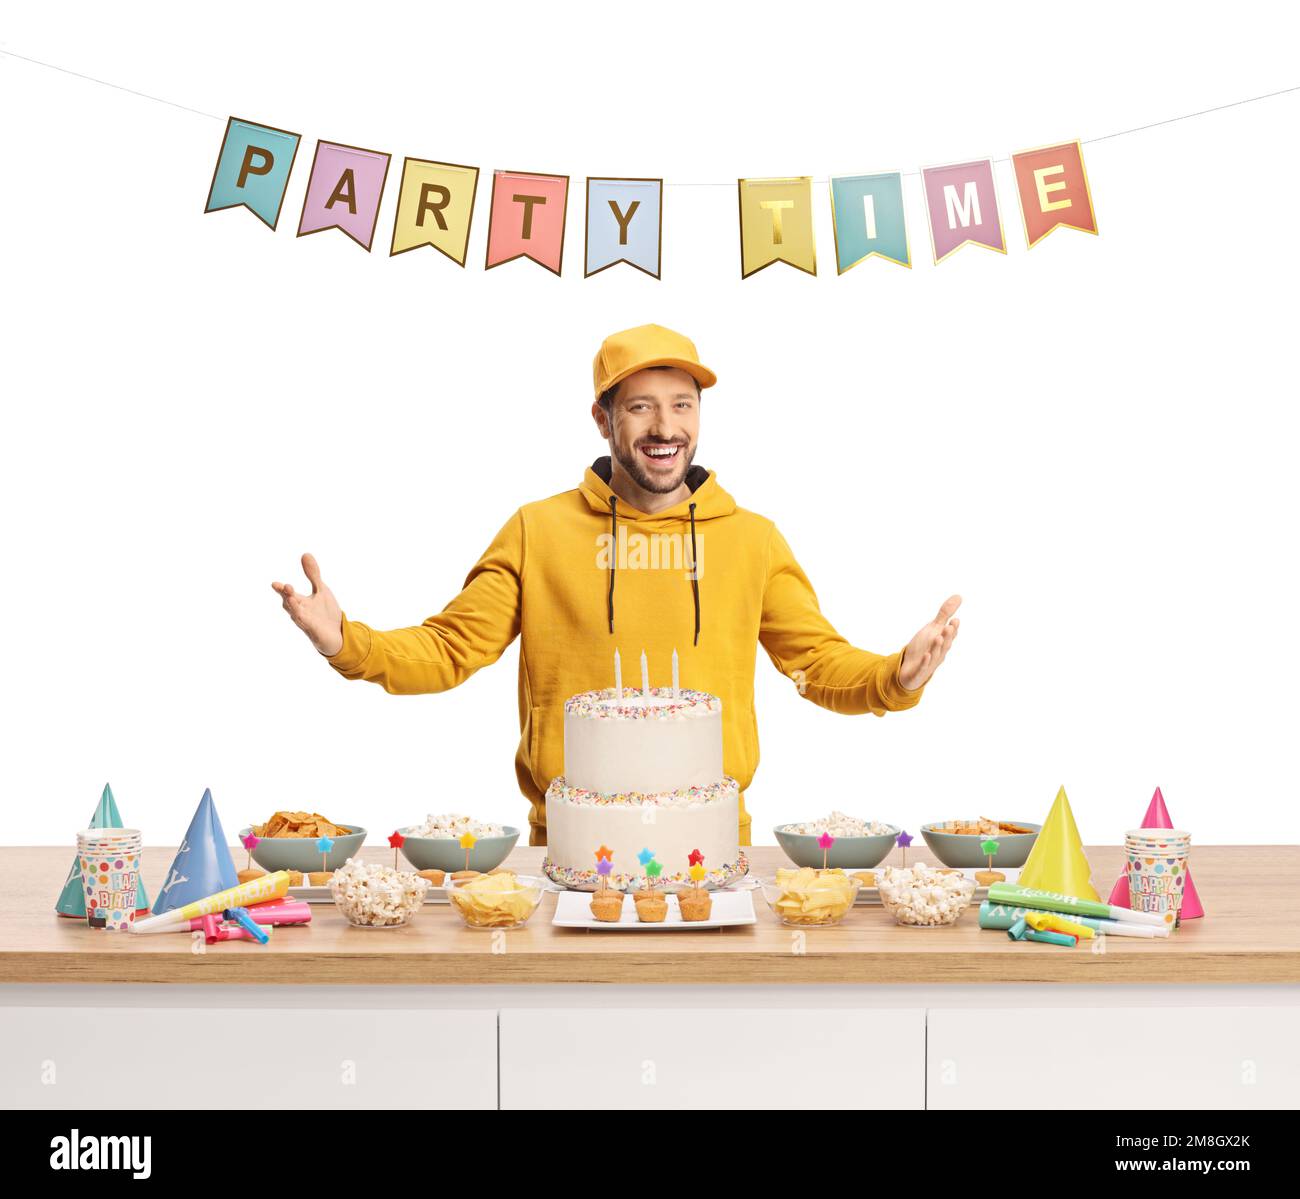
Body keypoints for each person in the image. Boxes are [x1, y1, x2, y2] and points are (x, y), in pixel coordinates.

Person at [272, 324, 960, 846]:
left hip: (713, 846)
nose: (666, 428)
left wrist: (895, 676)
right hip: (567, 849)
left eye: (683, 405)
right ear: (603, 419)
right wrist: (347, 642)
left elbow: (815, 664)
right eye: (641, 408)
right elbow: (452, 648)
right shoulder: (537, 530)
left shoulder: (751, 539)